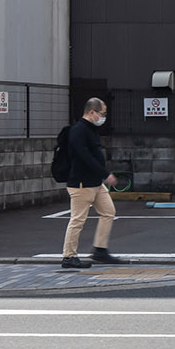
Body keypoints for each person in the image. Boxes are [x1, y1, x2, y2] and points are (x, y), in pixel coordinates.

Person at [60, 97, 123, 268]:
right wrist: (105, 174)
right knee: (78, 220)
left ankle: (100, 250)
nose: (104, 117)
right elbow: (84, 156)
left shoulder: (90, 129)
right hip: (81, 183)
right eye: (102, 114)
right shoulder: (78, 130)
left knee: (108, 212)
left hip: (95, 183)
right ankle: (69, 256)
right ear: (92, 112)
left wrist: (102, 175)